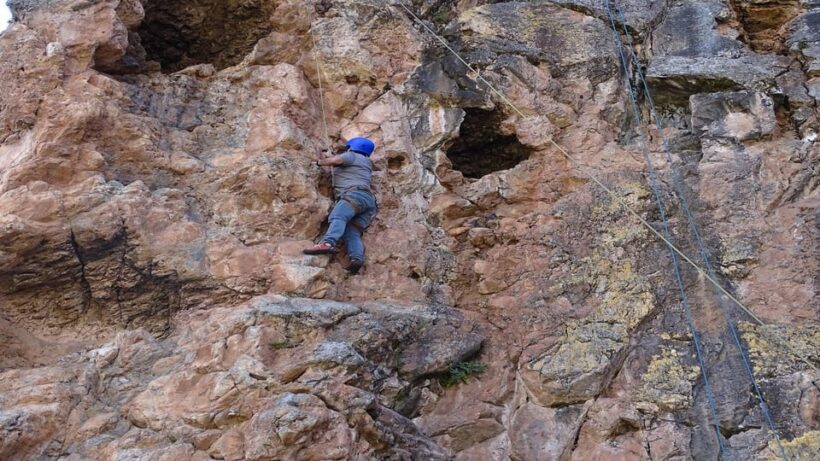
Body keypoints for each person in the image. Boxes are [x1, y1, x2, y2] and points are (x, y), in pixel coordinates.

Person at [303, 137, 378, 274]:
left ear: (352, 147)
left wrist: (319, 162)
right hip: (369, 201)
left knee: (338, 216)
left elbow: (336, 160)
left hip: (354, 195)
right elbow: (336, 167)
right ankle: (357, 259)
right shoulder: (367, 162)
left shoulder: (351, 156)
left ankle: (327, 243)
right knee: (352, 231)